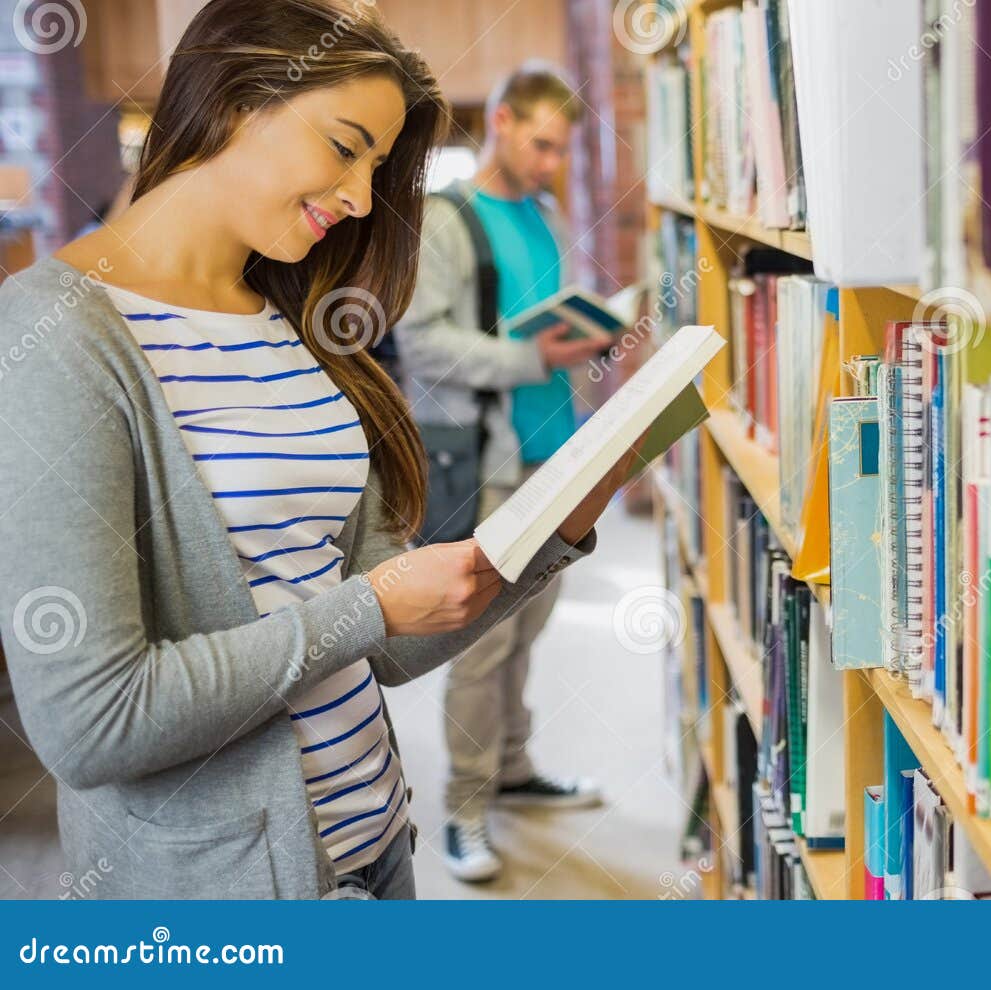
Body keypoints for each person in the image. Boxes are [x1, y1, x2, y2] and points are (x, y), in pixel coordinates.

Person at [0, 0, 633, 900]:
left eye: (376, 165)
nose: (361, 198)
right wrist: (367, 605)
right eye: (344, 148)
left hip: (377, 852)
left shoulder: (295, 324)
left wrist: (553, 533)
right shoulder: (56, 336)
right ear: (232, 100)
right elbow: (94, 720)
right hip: (233, 894)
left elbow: (380, 643)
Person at [392, 63, 609, 882]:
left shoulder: (544, 214)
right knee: (483, 640)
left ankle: (512, 770)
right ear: (506, 121)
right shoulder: (447, 220)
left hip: (555, 454)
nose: (551, 164)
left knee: (530, 627)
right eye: (542, 144)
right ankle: (464, 809)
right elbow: (424, 345)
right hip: (489, 463)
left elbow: (539, 315)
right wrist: (533, 356)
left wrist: (583, 341)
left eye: (562, 151)